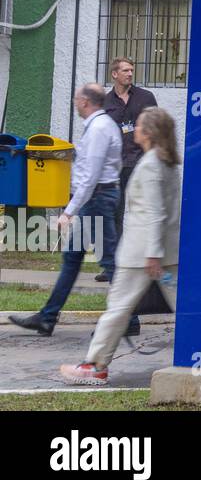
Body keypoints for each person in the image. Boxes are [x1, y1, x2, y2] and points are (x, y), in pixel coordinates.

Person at [58, 107, 181, 385]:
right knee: (184, 306)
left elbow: (153, 212)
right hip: (168, 251)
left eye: (138, 125)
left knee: (117, 308)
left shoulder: (150, 164)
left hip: (141, 255)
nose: (134, 129)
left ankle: (95, 365)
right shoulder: (169, 163)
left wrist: (152, 254)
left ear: (148, 132)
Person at [10, 84, 124, 337]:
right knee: (73, 259)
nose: (75, 103)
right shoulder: (100, 126)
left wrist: (69, 211)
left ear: (85, 101)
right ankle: (47, 317)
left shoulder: (98, 129)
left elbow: (91, 177)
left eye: (76, 99)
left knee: (109, 261)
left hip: (97, 199)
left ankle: (128, 318)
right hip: (96, 198)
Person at [99, 58, 157, 285]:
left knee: (140, 213)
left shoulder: (145, 98)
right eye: (125, 70)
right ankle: (112, 265)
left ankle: (141, 262)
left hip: (140, 165)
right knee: (113, 213)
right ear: (114, 74)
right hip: (115, 167)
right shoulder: (105, 101)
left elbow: (156, 126)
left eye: (131, 70)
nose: (130, 74)